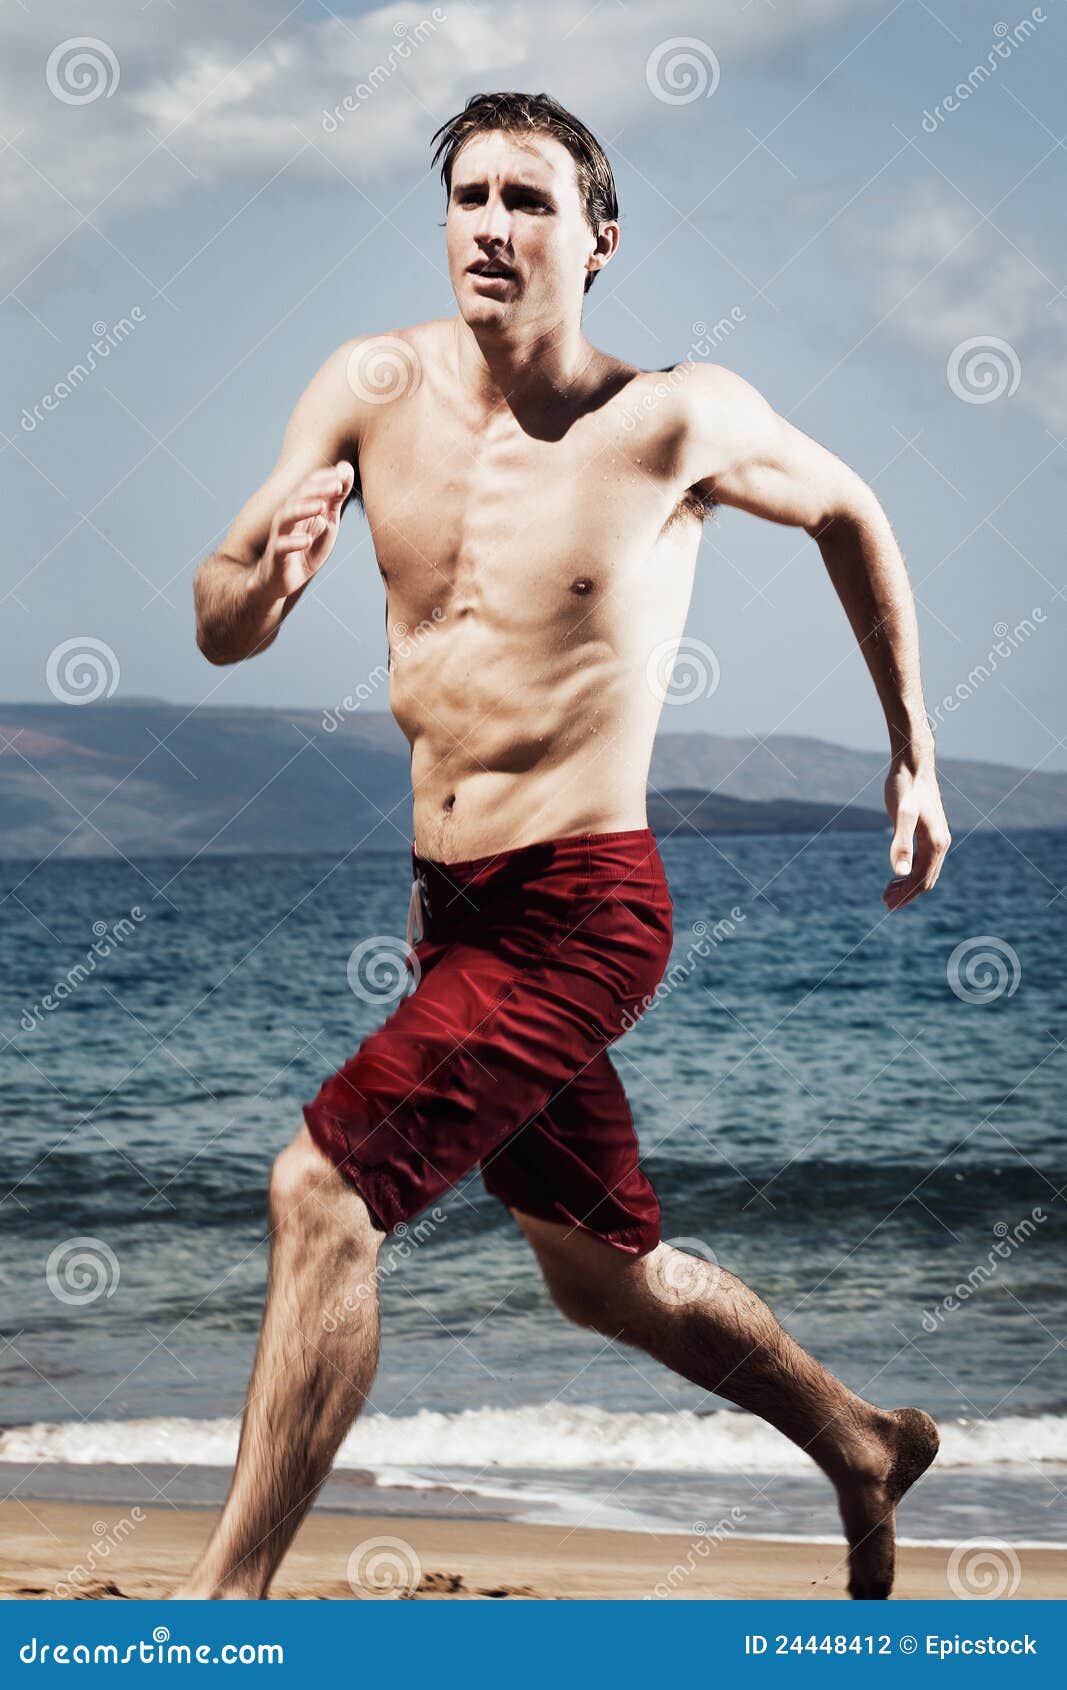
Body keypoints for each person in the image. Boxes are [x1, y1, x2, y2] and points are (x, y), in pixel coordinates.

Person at [183, 91, 949, 1601]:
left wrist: (916, 750)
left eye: (529, 200)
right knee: (606, 1278)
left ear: (597, 241)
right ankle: (860, 1440)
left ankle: (222, 1612)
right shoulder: (371, 382)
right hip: (449, 911)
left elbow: (853, 511)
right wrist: (265, 587)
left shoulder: (673, 417)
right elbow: (215, 612)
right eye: (470, 195)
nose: (490, 224)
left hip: (585, 906)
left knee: (322, 1187)